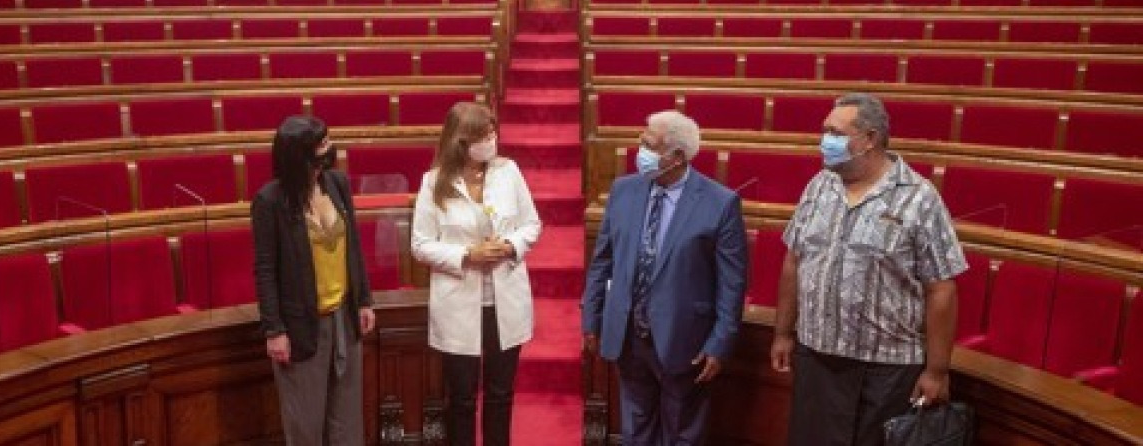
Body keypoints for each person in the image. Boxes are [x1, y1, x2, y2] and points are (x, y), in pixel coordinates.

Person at [770, 93, 968, 446]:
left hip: (886, 369)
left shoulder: (918, 197)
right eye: (824, 131)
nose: (824, 141)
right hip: (817, 357)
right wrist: (784, 332)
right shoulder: (819, 186)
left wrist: (937, 370)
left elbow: (941, 287)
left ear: (870, 139)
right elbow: (794, 260)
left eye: (834, 132)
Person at [581, 110, 747, 445]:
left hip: (686, 339)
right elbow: (602, 262)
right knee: (636, 429)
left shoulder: (720, 203)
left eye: (649, 144)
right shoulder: (623, 190)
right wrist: (592, 318)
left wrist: (720, 342)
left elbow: (732, 283)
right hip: (629, 334)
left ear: (677, 158)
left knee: (682, 432)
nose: (639, 149)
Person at [410, 101, 541, 446]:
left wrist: (510, 246)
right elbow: (421, 244)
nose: (491, 141)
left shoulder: (508, 171)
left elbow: (531, 224)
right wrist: (467, 255)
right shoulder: (434, 182)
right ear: (460, 141)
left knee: (500, 394)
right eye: (483, 136)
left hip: (505, 300)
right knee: (462, 398)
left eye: (492, 133)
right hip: (458, 302)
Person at [252, 115, 376, 446]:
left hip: (344, 320)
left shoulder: (336, 184)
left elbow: (354, 245)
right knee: (305, 427)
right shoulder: (270, 201)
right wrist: (274, 329)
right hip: (300, 326)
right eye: (321, 144)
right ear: (299, 154)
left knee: (347, 423)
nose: (329, 148)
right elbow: (265, 269)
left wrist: (363, 299)